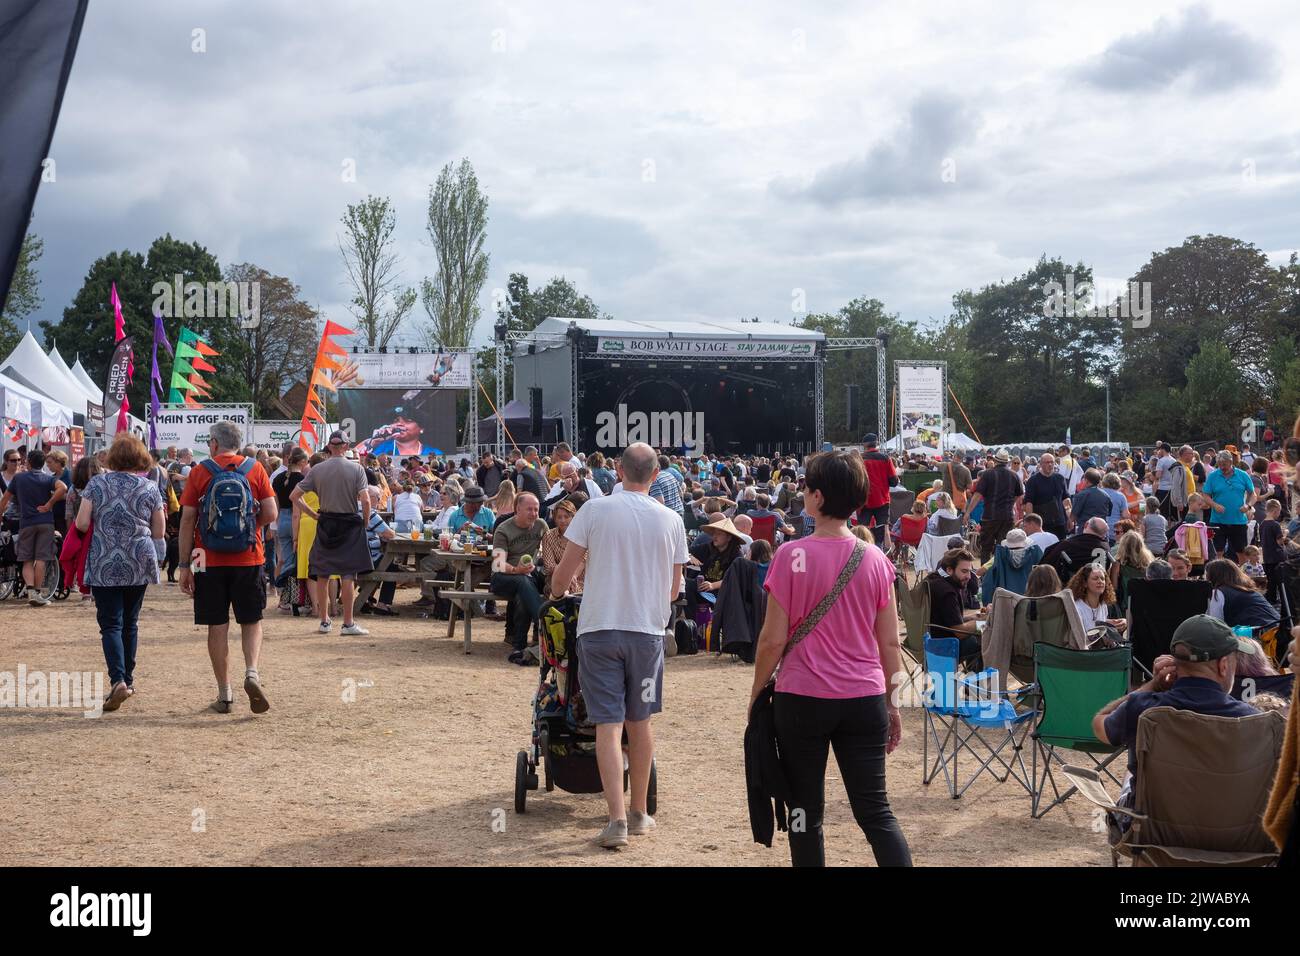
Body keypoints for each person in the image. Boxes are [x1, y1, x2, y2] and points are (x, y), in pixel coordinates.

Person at [745, 450, 911, 867]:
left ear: (817, 497)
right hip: (864, 697)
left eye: (805, 487)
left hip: (802, 697)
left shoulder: (791, 555)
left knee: (804, 811)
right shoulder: (876, 559)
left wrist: (756, 692)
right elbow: (889, 644)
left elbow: (772, 640)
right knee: (875, 811)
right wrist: (894, 703)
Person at [548, 443, 688, 849]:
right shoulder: (671, 519)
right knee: (639, 723)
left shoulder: (594, 510)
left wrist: (557, 591)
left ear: (619, 471)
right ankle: (640, 811)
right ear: (655, 473)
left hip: (600, 630)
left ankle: (615, 820)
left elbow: (564, 574)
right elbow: (675, 588)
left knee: (608, 726)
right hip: (646, 633)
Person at [1092, 615, 1260, 827]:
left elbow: (1099, 725)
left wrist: (1152, 686)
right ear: (1224, 665)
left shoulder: (1143, 709)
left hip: (1155, 836)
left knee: (1134, 769)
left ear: (1174, 663)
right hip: (1233, 839)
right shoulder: (1254, 722)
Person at [177, 420, 278, 714]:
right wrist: (249, 529)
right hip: (250, 556)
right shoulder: (255, 469)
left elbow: (187, 520)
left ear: (213, 443)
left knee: (216, 624)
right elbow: (270, 512)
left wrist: (185, 565)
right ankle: (252, 673)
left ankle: (225, 694)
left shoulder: (200, 471)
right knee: (251, 620)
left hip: (206, 559)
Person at [75, 433, 166, 712]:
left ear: (113, 457)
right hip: (139, 558)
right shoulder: (150, 488)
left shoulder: (96, 483)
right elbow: (160, 531)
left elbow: (80, 523)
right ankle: (128, 678)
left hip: (104, 558)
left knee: (110, 623)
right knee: (131, 622)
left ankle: (118, 680)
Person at [289, 431, 374, 636]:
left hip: (326, 521)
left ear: (329, 446)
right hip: (349, 522)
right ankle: (348, 623)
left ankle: (324, 621)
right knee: (347, 574)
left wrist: (312, 514)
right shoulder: (356, 469)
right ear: (345, 446)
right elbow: (366, 500)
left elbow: (294, 496)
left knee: (322, 573)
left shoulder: (317, 469)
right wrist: (365, 522)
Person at [0, 448, 66, 606]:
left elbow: (5, 499)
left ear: (28, 462)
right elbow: (63, 487)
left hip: (26, 523)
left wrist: (1, 515)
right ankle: (37, 592)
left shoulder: (19, 478)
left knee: (27, 559)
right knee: (42, 559)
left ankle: (30, 591)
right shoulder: (46, 478)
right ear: (43, 463)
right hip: (45, 522)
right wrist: (49, 504)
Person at [490, 492, 549, 666]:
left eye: (536, 509)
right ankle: (544, 621)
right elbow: (498, 564)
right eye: (529, 509)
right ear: (517, 509)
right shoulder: (504, 529)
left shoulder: (540, 525)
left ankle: (519, 646)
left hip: (527, 578)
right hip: (503, 578)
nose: (534, 513)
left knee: (525, 593)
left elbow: (548, 549)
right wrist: (516, 569)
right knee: (523, 581)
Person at [925, 548, 984, 665]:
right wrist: (985, 623)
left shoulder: (933, 579)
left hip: (929, 638)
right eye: (964, 571)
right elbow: (959, 632)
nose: (969, 577)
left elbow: (949, 620)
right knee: (985, 640)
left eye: (969, 572)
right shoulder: (947, 593)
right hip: (944, 645)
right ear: (949, 570)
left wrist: (976, 617)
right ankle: (976, 682)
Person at [964, 448, 1023, 560]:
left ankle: (985, 576)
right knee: (1003, 549)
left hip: (989, 517)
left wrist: (968, 512)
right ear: (1007, 462)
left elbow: (977, 495)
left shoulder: (987, 474)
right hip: (1007, 517)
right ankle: (1001, 574)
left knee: (986, 549)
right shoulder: (1014, 475)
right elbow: (1019, 494)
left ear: (995, 460)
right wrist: (1010, 504)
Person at [1203, 451, 1256, 562]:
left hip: (1238, 520)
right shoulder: (1213, 476)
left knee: (1241, 553)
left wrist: (1248, 505)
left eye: (1224, 464)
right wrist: (1214, 504)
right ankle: (1218, 576)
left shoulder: (1242, 475)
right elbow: (1206, 495)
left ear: (1231, 462)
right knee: (1218, 553)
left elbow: (1253, 494)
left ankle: (1242, 576)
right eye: (1220, 464)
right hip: (1217, 520)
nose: (1222, 467)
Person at [1204, 558, 1280, 631]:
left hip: (1257, 635)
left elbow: (1215, 623)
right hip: (1277, 628)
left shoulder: (1219, 592)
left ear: (1213, 576)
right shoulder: (1249, 589)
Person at [855, 435, 897, 545]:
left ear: (865, 445)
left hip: (864, 500)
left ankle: (862, 553)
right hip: (882, 499)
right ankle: (879, 554)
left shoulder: (859, 459)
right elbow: (894, 481)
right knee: (882, 530)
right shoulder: (885, 458)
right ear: (876, 443)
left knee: (862, 531)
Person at [540, 498, 584, 594]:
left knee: (575, 590)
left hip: (579, 579)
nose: (563, 520)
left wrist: (572, 577)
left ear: (573, 517)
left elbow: (583, 560)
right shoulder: (549, 536)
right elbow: (549, 566)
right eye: (559, 517)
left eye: (566, 516)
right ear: (555, 519)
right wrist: (566, 577)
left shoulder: (581, 535)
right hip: (555, 579)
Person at [1023, 452, 1069, 540]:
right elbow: (1029, 503)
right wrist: (1030, 523)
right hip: (1042, 523)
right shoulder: (1033, 480)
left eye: (1052, 462)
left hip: (1060, 522)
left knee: (1060, 548)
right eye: (1047, 462)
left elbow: (1065, 499)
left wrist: (1069, 518)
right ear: (1040, 464)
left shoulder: (1060, 478)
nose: (1050, 464)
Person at [1067, 563, 1126, 632]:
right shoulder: (1077, 608)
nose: (1100, 581)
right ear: (1085, 583)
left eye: (1102, 578)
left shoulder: (1103, 605)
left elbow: (1096, 622)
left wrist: (1118, 623)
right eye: (1095, 578)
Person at [1108, 531, 1153, 613]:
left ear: (1123, 546)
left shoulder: (1117, 565)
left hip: (1125, 606)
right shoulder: (1148, 564)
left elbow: (1114, 589)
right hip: (1144, 606)